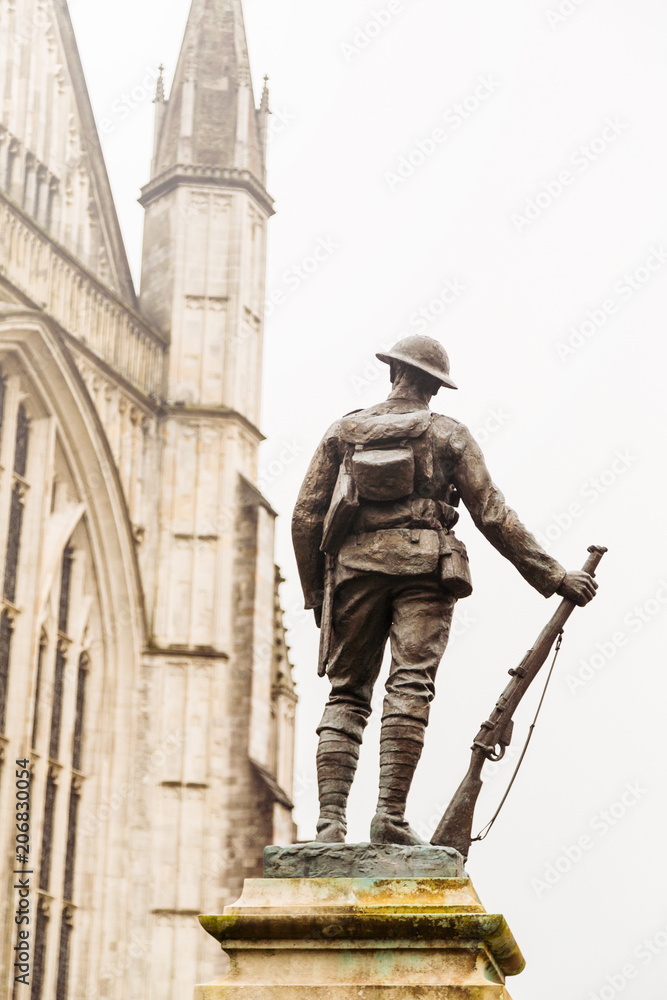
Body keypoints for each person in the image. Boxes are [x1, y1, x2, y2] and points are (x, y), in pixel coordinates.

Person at [291, 335, 597, 845]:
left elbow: (305, 517)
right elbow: (493, 515)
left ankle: (328, 824)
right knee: (410, 686)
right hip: (425, 570)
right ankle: (389, 819)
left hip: (352, 573)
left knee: (345, 693)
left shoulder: (341, 433)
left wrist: (316, 595)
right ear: (436, 386)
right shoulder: (449, 435)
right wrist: (554, 576)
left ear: (393, 373)